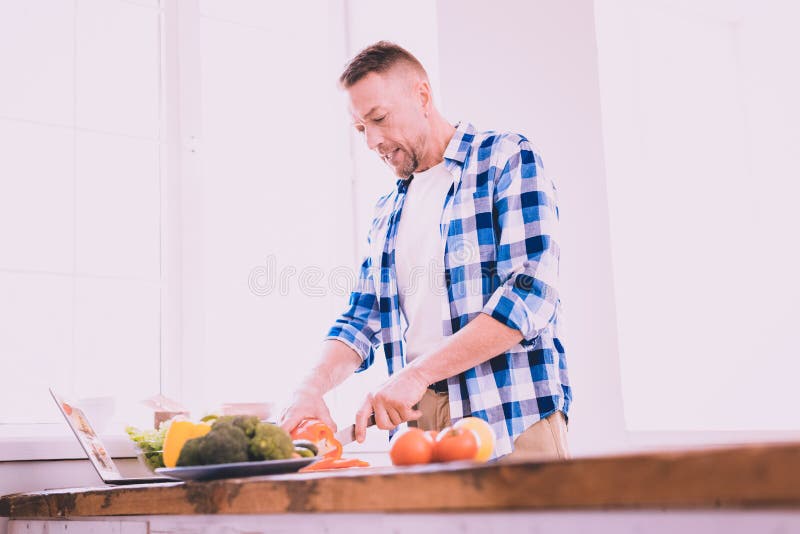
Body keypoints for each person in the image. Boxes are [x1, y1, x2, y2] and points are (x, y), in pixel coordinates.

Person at [280, 41, 571, 460]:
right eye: (361, 129)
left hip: (508, 416)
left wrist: (415, 374)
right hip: (416, 429)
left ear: (422, 96)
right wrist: (309, 388)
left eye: (379, 118)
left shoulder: (505, 158)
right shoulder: (388, 211)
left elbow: (529, 294)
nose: (372, 141)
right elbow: (362, 317)